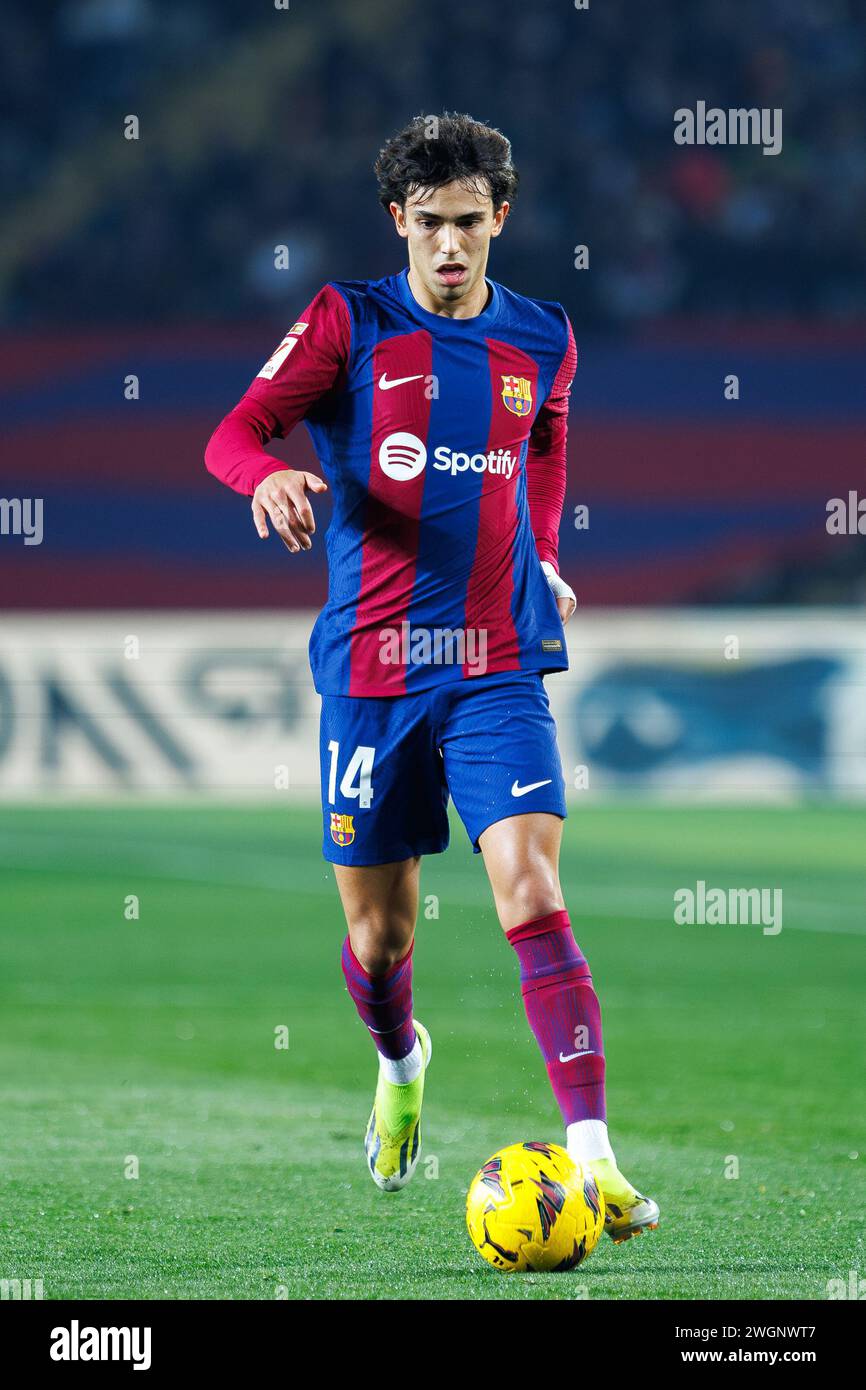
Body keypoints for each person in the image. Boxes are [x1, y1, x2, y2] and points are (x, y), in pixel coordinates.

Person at [206, 112, 658, 1244]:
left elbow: (545, 449)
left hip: (496, 660)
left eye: (468, 223)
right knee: (380, 939)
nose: (448, 246)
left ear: (498, 218)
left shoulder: (542, 336)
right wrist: (264, 477)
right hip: (372, 668)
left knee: (532, 891)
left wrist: (544, 553)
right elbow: (235, 432)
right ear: (395, 221)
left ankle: (594, 1159)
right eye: (428, 224)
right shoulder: (344, 323)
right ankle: (401, 1062)